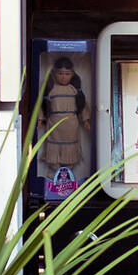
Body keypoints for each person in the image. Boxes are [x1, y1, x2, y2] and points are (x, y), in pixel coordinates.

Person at [38, 57, 91, 190]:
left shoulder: (75, 90)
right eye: (60, 74)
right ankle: (53, 176)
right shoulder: (50, 90)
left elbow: (83, 106)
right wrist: (40, 118)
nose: (63, 77)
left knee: (71, 150)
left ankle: (68, 176)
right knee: (53, 149)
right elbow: (41, 105)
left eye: (67, 74)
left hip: (71, 124)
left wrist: (86, 120)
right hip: (54, 124)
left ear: (72, 74)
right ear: (54, 73)